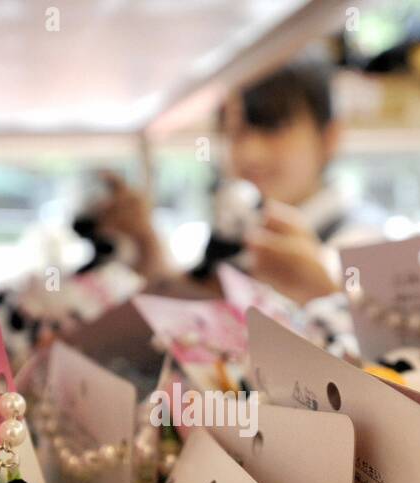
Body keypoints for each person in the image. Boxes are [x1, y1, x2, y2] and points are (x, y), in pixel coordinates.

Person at [95, 57, 384, 306]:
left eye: (273, 126)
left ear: (329, 137)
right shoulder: (236, 236)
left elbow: (390, 359)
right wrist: (148, 252)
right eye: (236, 131)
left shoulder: (367, 244)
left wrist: (322, 293)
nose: (249, 152)